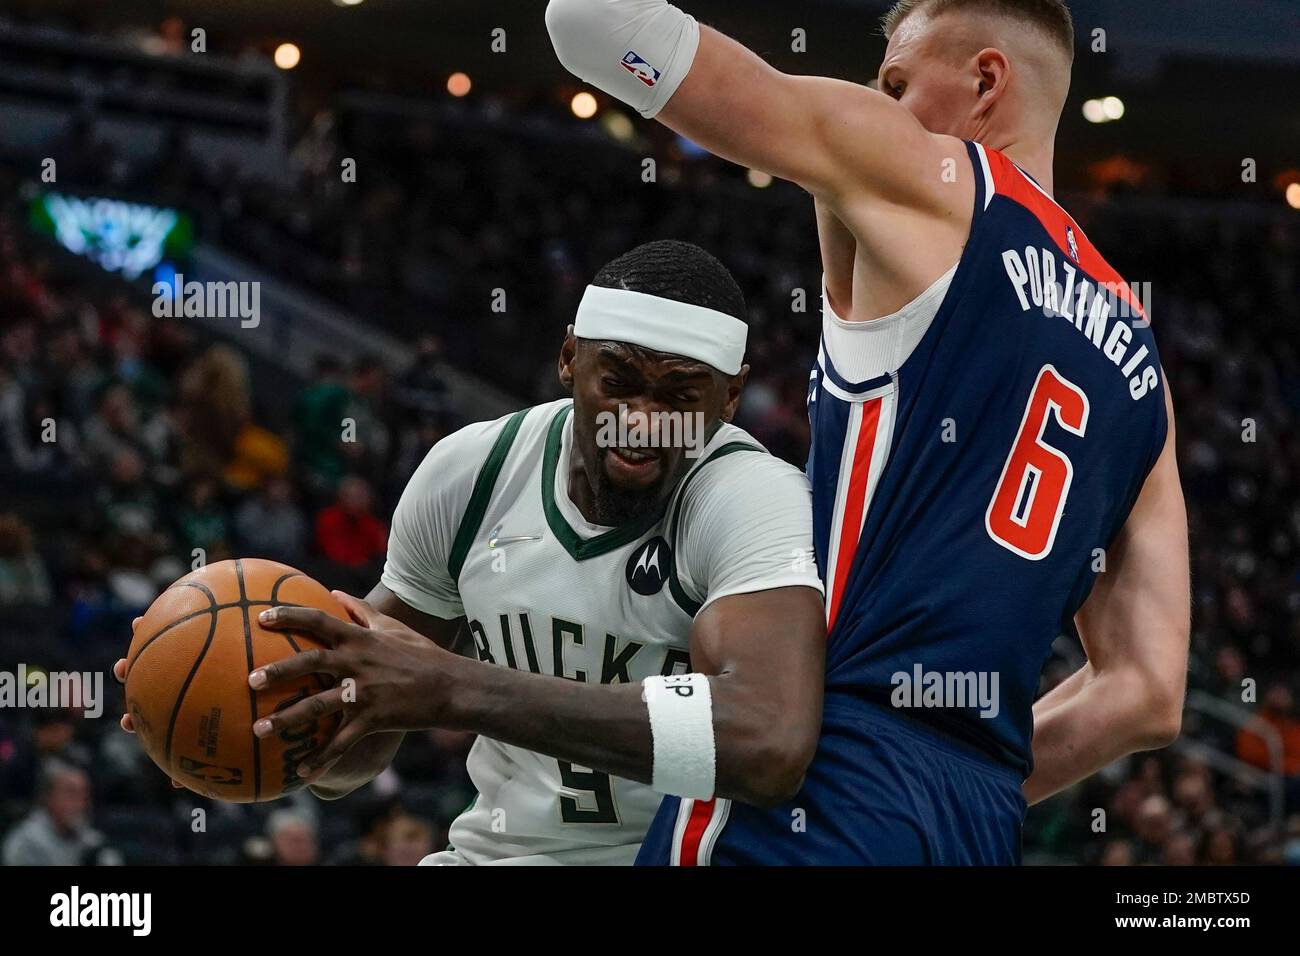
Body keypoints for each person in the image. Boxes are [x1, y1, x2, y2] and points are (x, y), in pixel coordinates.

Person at [544, 0, 1190, 863]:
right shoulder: (1141, 358)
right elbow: (1148, 693)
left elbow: (584, 22)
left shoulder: (928, 175)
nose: (879, 102)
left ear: (985, 81)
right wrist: (958, 781)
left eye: (894, 82)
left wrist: (867, 765)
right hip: (974, 822)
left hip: (820, 764)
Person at [118, 240, 826, 866]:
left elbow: (768, 744)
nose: (640, 422)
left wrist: (461, 689)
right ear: (569, 357)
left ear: (730, 398)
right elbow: (354, 755)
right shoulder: (474, 473)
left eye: (679, 398)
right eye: (617, 383)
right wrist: (248, 730)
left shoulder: (749, 497)